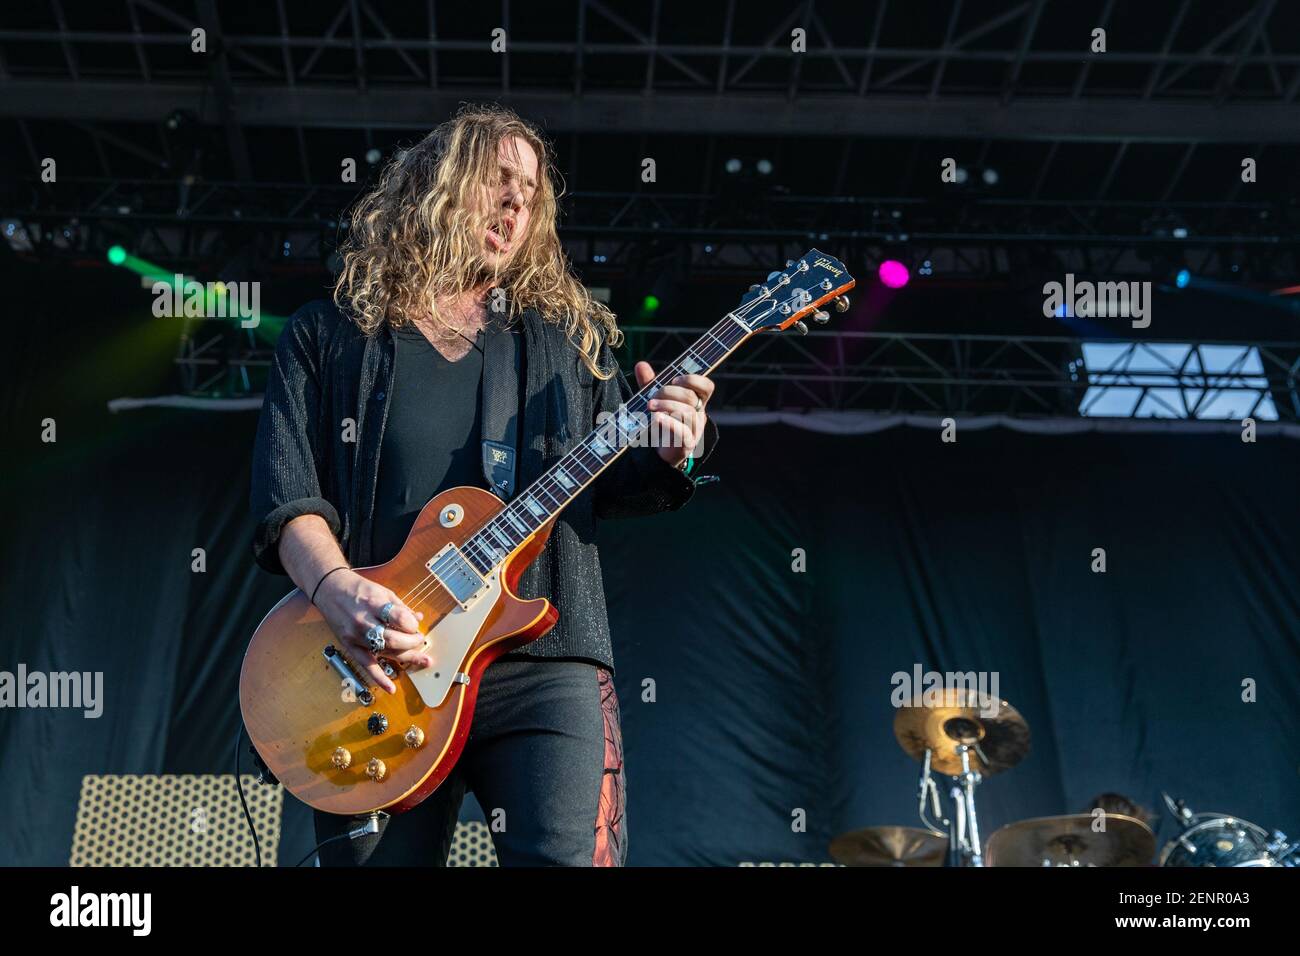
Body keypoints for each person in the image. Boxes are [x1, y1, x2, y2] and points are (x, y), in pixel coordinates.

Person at [249, 105, 717, 866]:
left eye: (530, 194)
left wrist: (673, 450)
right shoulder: (326, 337)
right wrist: (337, 590)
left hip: (546, 663)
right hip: (378, 672)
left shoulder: (571, 341)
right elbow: (286, 495)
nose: (515, 204)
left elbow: (621, 478)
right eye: (498, 181)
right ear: (437, 185)